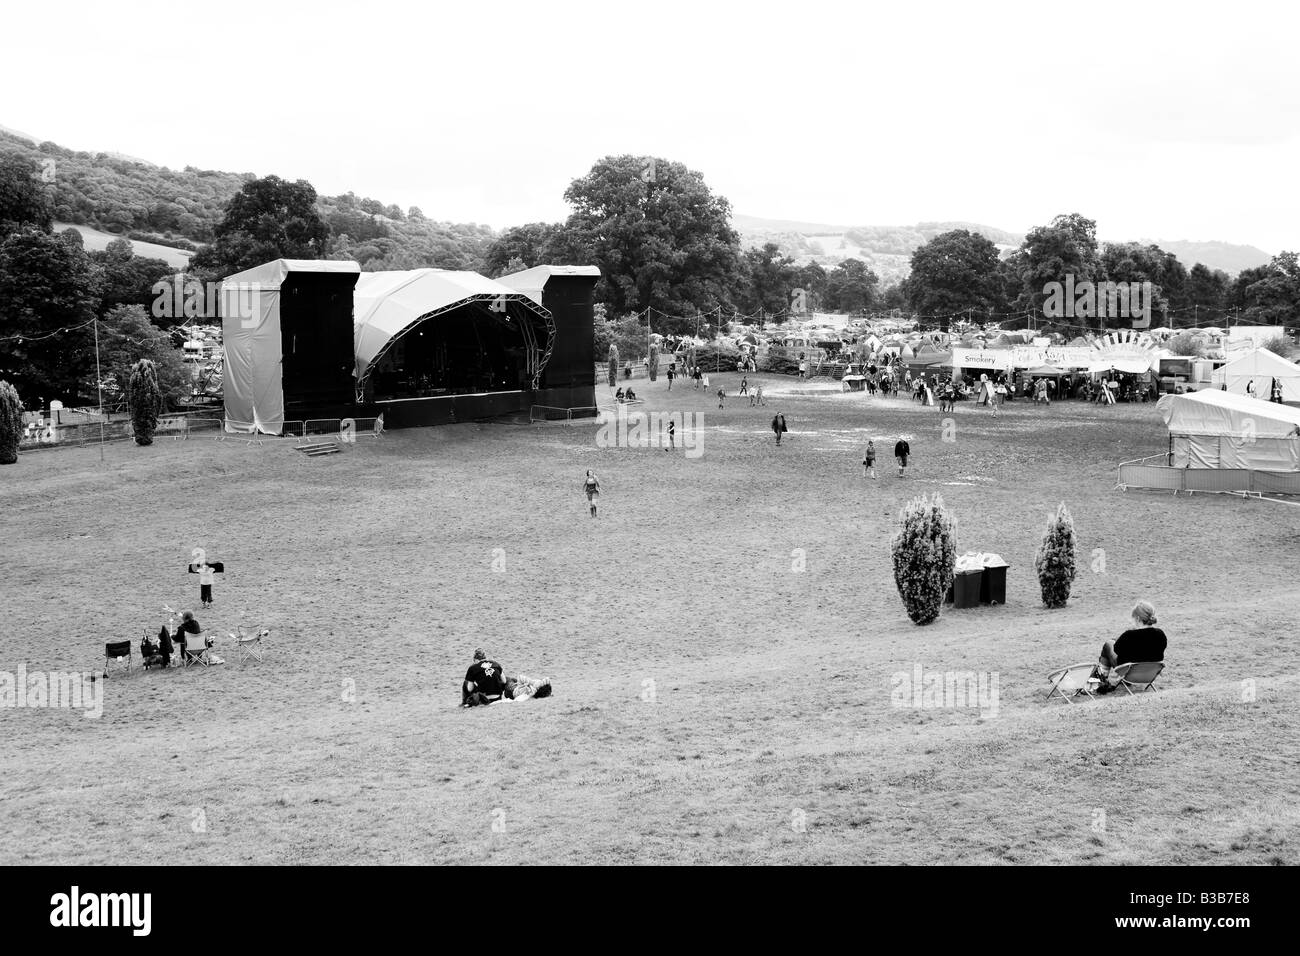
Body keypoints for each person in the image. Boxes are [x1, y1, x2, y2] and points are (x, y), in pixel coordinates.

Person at [1094, 600, 1167, 693]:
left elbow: (1116, 650)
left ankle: (1101, 679)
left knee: (1108, 645)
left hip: (1128, 672)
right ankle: (1103, 678)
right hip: (1150, 672)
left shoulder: (1129, 635)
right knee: (1114, 643)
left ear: (1138, 618)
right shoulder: (1160, 634)